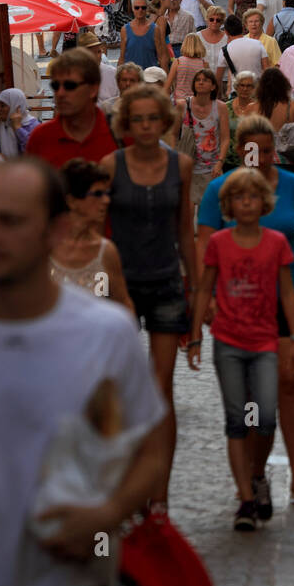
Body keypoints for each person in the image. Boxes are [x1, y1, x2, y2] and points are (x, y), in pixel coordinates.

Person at [0, 158, 167, 586]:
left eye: (9, 221)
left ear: (55, 228)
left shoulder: (105, 333)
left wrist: (108, 513)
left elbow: (153, 444)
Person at [197, 115, 294, 502]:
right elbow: (205, 246)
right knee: (253, 395)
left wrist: (289, 261)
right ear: (239, 149)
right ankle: (254, 474)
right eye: (253, 150)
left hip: (289, 298)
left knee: (288, 383)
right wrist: (209, 299)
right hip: (237, 303)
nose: (261, 157)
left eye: (267, 151)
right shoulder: (220, 190)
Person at [101, 85, 196, 510]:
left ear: (163, 122)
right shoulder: (110, 166)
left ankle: (159, 495)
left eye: (151, 119)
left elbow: (185, 234)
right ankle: (127, 487)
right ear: (126, 124)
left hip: (165, 283)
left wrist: (196, 289)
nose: (143, 126)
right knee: (121, 390)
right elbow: (97, 231)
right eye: (136, 119)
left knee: (161, 390)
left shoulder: (182, 166)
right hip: (119, 289)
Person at [189, 168, 294, 530]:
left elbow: (287, 292)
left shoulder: (276, 243)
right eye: (239, 198)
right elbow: (205, 289)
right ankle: (247, 500)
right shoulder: (219, 243)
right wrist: (195, 334)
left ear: (263, 202)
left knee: (264, 415)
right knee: (237, 421)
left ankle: (257, 474)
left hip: (266, 340)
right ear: (229, 205)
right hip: (229, 342)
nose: (247, 203)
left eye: (253, 197)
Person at [50, 158, 134, 312]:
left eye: (107, 193)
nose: (107, 200)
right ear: (71, 201)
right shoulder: (43, 248)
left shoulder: (106, 252)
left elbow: (123, 305)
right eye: (98, 194)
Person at [27, 48, 117, 167]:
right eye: (55, 86)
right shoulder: (40, 138)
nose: (60, 93)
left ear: (93, 89)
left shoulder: (119, 134)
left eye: (70, 86)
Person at [174, 68, 230, 207]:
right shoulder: (182, 105)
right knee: (188, 211)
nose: (200, 82)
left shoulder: (220, 107)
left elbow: (225, 138)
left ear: (213, 86)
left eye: (205, 80)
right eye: (198, 80)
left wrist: (220, 162)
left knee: (210, 211)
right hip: (189, 168)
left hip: (212, 169)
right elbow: (173, 135)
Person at [257, 65, 294, 162]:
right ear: (283, 84)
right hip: (289, 160)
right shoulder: (293, 106)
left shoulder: (253, 108)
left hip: (262, 161)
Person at [0, 87, 40, 157]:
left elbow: (35, 153)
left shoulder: (33, 126)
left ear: (16, 108)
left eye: (2, 106)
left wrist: (18, 129)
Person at [119, 0, 166, 72]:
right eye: (137, 7)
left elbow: (161, 56)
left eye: (143, 7)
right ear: (133, 8)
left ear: (147, 8)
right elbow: (122, 57)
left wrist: (165, 78)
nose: (140, 10)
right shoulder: (125, 30)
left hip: (150, 76)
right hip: (131, 77)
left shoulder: (155, 29)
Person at [164, 33, 209, 102]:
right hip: (197, 100)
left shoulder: (178, 61)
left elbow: (168, 84)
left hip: (179, 100)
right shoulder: (204, 64)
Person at [225, 13, 270, 81]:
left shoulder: (271, 41)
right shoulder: (239, 41)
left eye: (256, 21)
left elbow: (270, 67)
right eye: (250, 22)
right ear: (245, 25)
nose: (253, 24)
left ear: (262, 23)